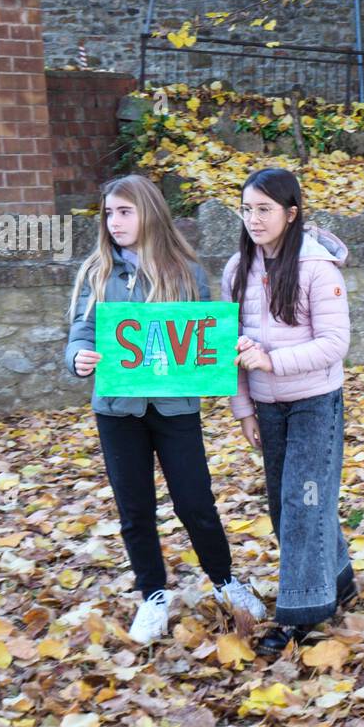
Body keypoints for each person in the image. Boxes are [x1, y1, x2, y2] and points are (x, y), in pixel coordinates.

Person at [64, 174, 265, 644]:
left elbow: (203, 333)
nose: (114, 222)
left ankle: (225, 580)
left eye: (125, 212)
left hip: (175, 408)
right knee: (134, 507)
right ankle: (152, 595)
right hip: (117, 410)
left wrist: (227, 345)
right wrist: (77, 358)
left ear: (149, 213)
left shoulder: (185, 271)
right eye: (109, 213)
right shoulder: (95, 271)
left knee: (195, 501)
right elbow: (80, 331)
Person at [222, 167, 356, 656]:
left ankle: (302, 615)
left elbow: (334, 344)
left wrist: (272, 361)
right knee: (290, 508)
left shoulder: (318, 269)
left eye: (264, 209)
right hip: (267, 407)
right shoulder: (236, 270)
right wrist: (244, 409)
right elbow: (228, 346)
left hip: (315, 404)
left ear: (291, 213)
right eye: (246, 208)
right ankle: (340, 581)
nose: (253, 218)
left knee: (303, 507)